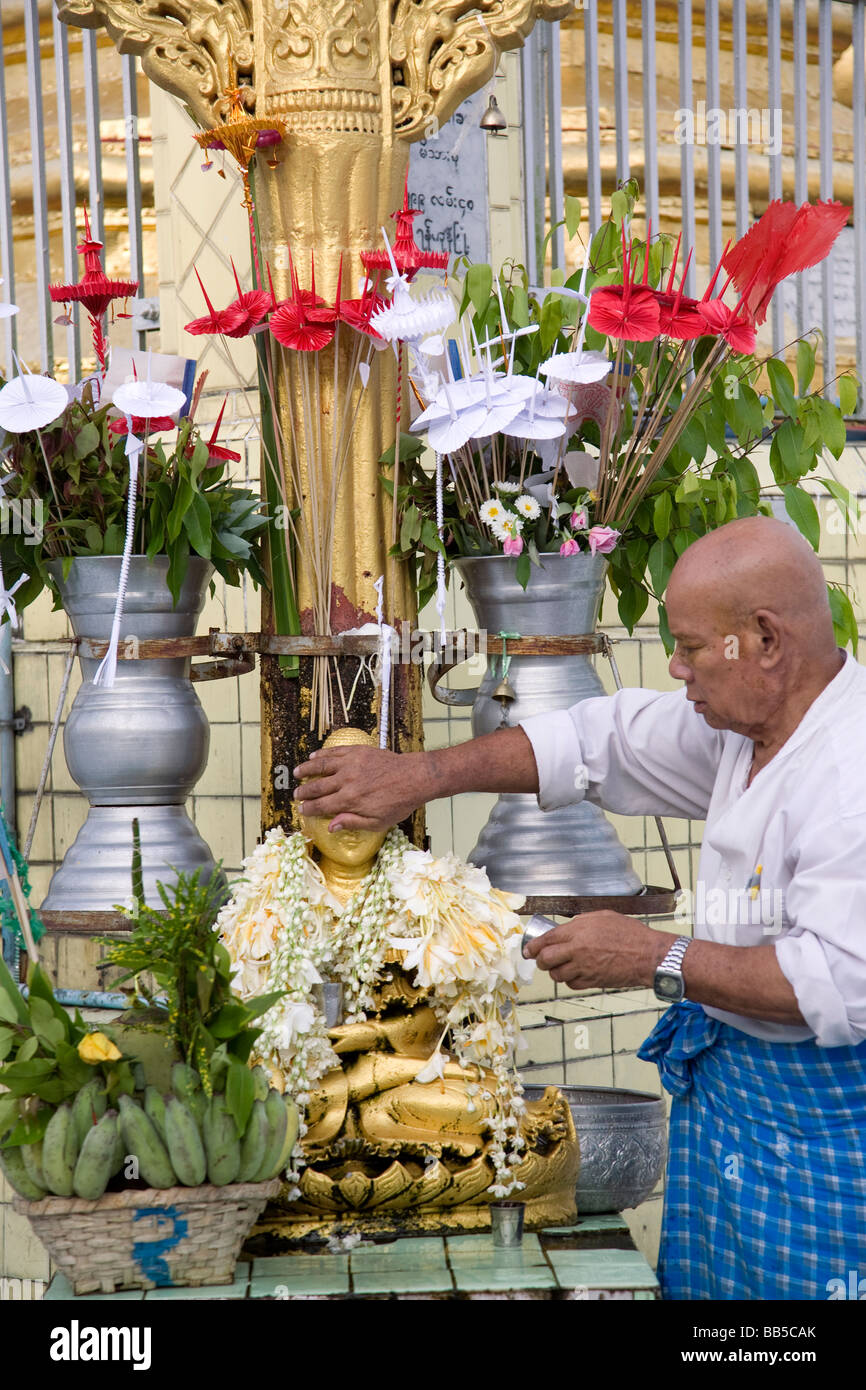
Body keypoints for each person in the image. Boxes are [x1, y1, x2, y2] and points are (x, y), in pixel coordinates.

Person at [293, 515, 866, 1300]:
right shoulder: (747, 725)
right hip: (735, 1123)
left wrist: (650, 958)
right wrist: (420, 777)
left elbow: (833, 982)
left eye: (693, 648)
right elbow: (603, 741)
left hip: (824, 1142)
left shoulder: (849, 775)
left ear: (764, 640)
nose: (678, 667)